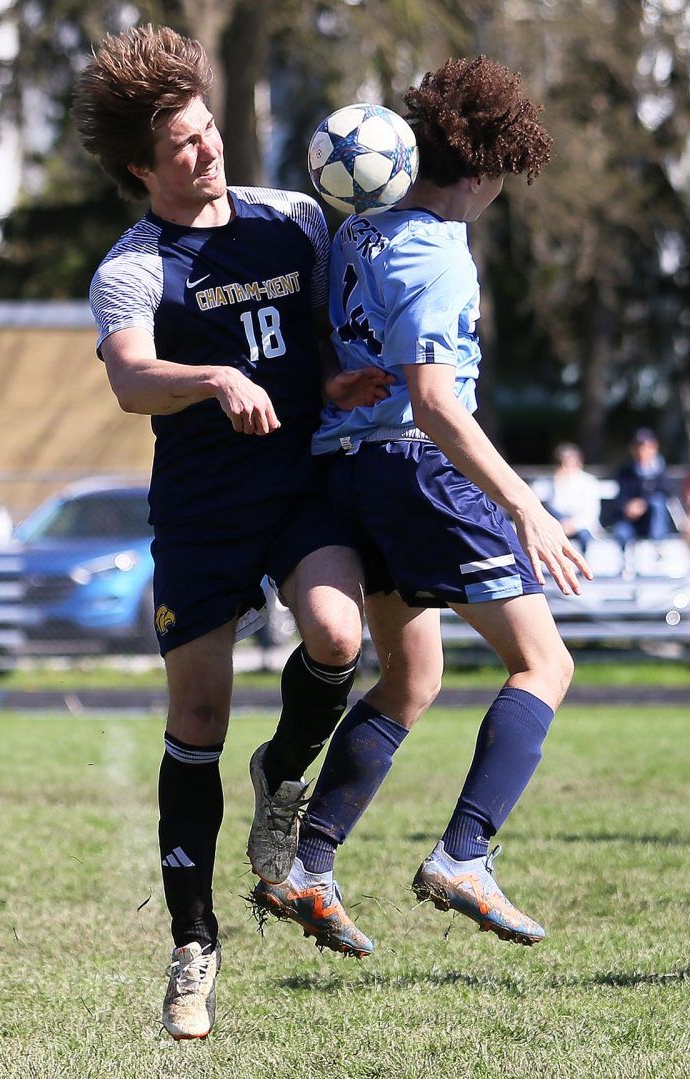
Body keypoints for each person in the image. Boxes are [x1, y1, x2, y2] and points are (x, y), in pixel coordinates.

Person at [72, 25, 391, 1040]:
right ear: (142, 167)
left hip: (299, 489)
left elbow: (321, 341)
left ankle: (284, 775)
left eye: (209, 133)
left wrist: (334, 380)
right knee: (199, 713)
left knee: (340, 640)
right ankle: (193, 942)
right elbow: (129, 378)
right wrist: (211, 377)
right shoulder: (134, 267)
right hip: (206, 512)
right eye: (184, 147)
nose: (209, 154)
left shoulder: (293, 220)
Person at [252, 56, 591, 957]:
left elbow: (331, 330)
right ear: (480, 170)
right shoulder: (440, 253)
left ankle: (308, 863)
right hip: (417, 470)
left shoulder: (359, 231)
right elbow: (437, 401)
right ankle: (466, 854)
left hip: (349, 472)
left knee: (411, 678)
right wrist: (524, 504)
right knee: (544, 664)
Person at [613, 428, 674, 554]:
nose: (642, 451)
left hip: (654, 523)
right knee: (621, 532)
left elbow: (668, 493)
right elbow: (619, 498)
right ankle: (626, 564)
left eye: (646, 447)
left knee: (657, 502)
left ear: (654, 447)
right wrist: (627, 507)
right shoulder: (625, 473)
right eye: (639, 447)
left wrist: (643, 504)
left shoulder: (661, 472)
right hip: (631, 521)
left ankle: (658, 548)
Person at [536, 443, 602, 554]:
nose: (564, 467)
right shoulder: (549, 482)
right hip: (556, 524)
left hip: (581, 526)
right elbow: (544, 503)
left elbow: (591, 514)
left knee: (584, 537)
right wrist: (557, 484)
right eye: (561, 464)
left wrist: (572, 524)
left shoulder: (589, 483)